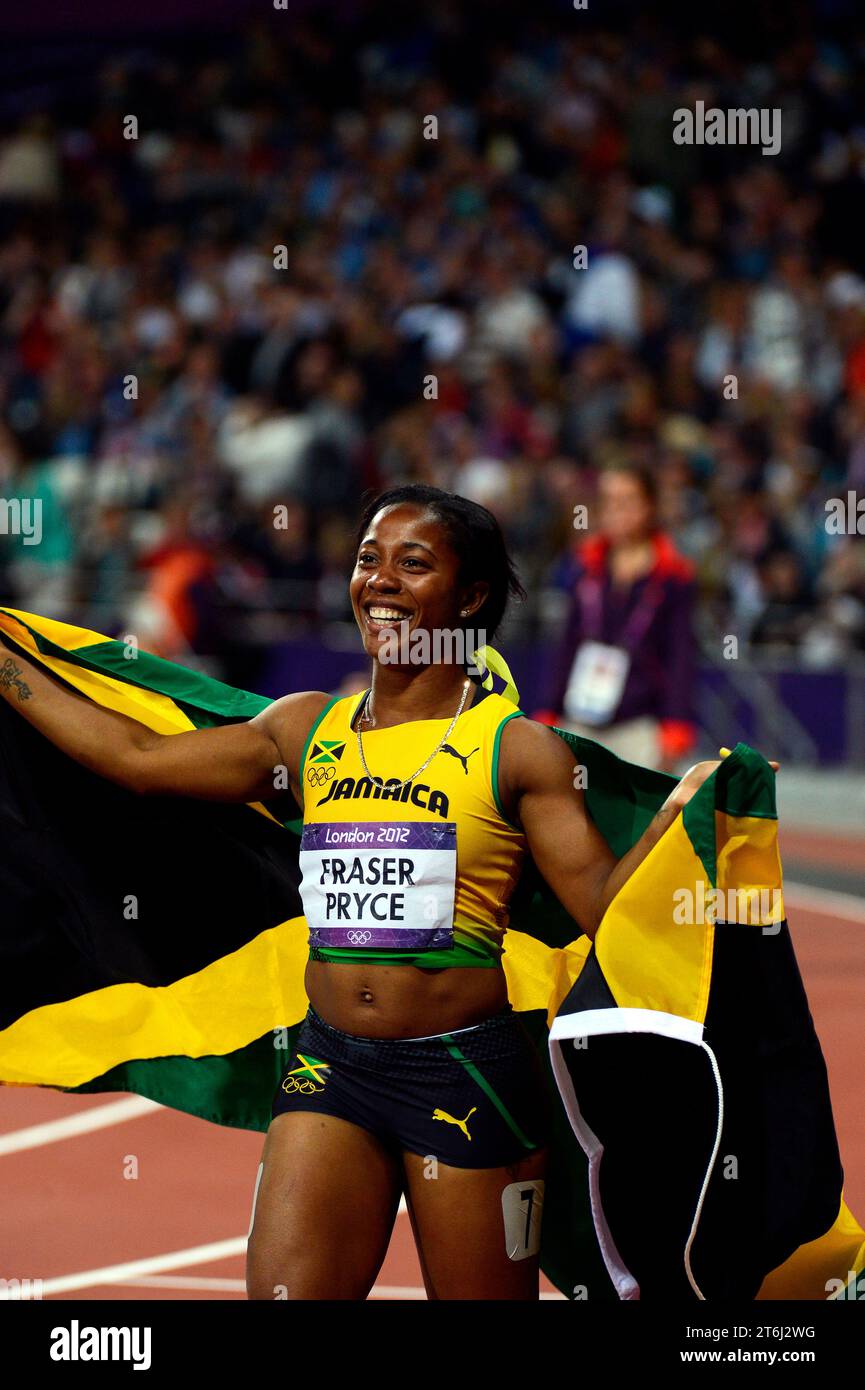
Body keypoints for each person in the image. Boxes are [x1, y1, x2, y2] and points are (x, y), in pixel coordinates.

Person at [0, 483, 745, 1301]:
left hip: (463, 1074)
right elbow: (136, 758)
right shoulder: (305, 730)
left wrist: (678, 816)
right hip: (329, 1065)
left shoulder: (515, 751)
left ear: (471, 596)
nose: (380, 579)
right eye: (367, 559)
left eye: (412, 564)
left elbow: (607, 909)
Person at [542, 465, 697, 771]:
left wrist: (676, 727)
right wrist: (549, 710)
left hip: (640, 726)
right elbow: (568, 646)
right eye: (608, 501)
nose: (615, 511)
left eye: (627, 501)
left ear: (649, 506)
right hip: (579, 721)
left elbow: (681, 656)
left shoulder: (673, 576)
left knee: (644, 818)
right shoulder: (585, 567)